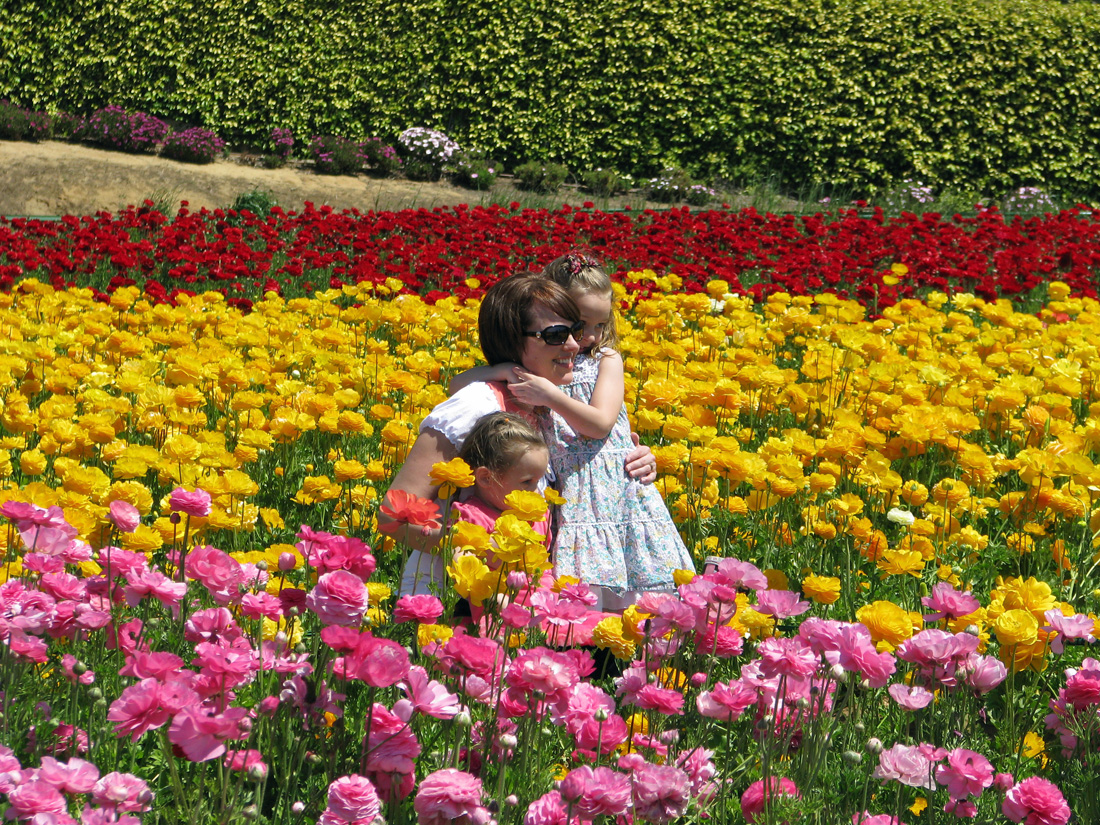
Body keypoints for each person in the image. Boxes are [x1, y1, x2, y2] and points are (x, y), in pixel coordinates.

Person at [382, 272, 658, 597]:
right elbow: (391, 516)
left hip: (523, 603)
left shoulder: (552, 408)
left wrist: (634, 459)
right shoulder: (475, 405)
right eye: (556, 334)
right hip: (451, 602)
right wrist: (478, 549)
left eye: (575, 330)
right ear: (513, 342)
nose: (574, 345)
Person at [453, 253, 694, 611]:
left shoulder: (605, 360)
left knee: (636, 593)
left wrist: (548, 395)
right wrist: (503, 369)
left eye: (601, 324)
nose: (590, 337)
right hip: (572, 492)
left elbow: (599, 425)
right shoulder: (541, 361)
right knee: (577, 596)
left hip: (613, 487)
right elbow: (456, 383)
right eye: (580, 325)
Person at [451, 411, 551, 539]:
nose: (537, 492)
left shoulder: (539, 518)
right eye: (527, 482)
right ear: (486, 478)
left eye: (538, 481)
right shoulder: (471, 520)